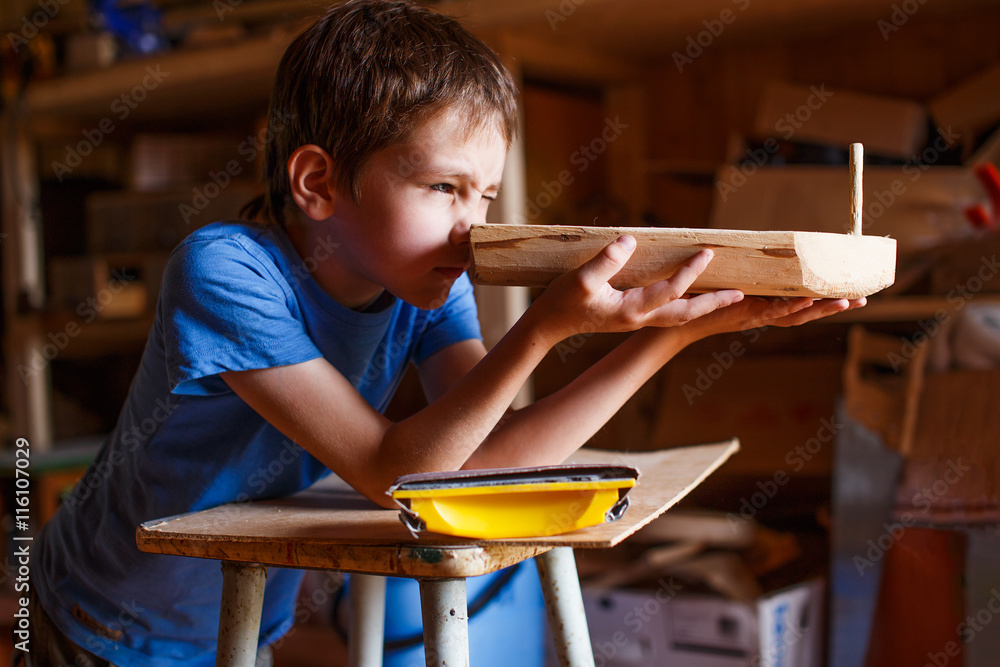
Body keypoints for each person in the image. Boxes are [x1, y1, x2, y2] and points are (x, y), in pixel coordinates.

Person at [21, 1, 864, 665]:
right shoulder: (224, 272)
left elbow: (499, 463)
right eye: (443, 188)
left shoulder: (426, 284)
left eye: (486, 197)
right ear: (318, 182)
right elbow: (398, 473)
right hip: (101, 616)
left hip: (229, 622)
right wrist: (539, 331)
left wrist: (672, 337)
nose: (471, 227)